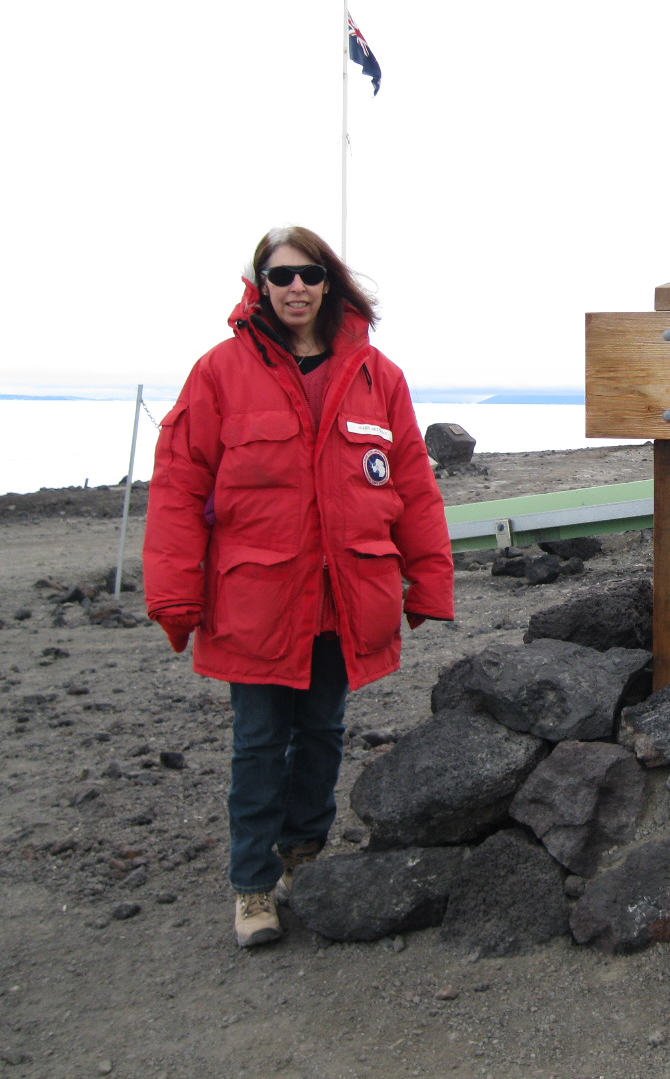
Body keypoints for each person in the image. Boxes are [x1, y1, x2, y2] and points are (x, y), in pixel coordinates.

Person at [144, 226, 454, 947]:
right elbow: (178, 485)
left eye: (309, 274)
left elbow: (413, 483)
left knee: (321, 733)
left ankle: (303, 856)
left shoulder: (378, 376)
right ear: (260, 285)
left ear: (328, 282)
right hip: (255, 600)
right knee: (258, 742)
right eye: (280, 275)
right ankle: (252, 886)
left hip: (344, 598)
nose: (295, 287)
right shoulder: (219, 371)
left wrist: (429, 581)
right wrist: (175, 595)